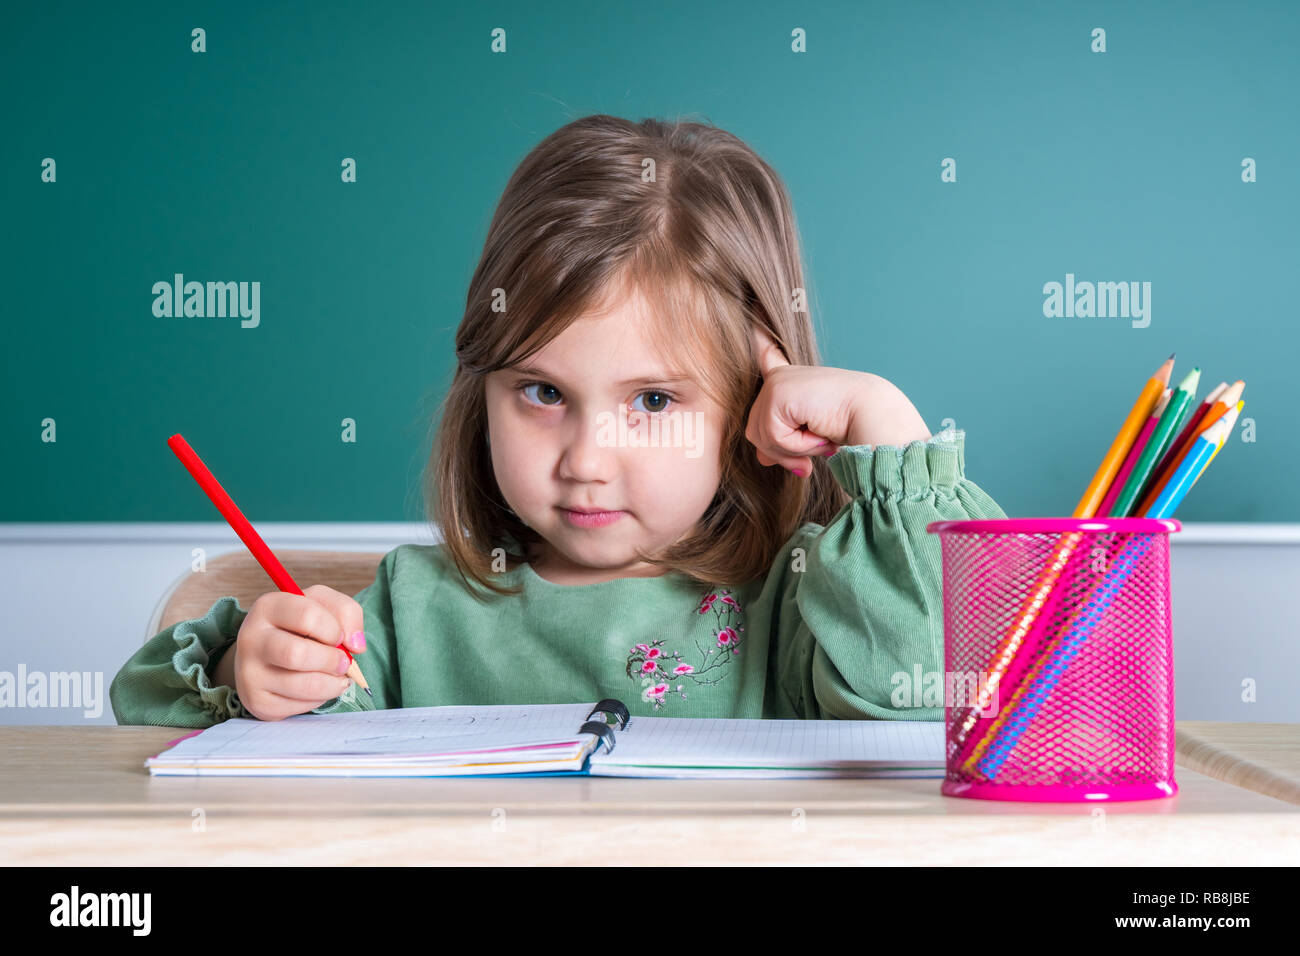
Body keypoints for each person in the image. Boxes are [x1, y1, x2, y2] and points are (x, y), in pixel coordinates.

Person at [110, 114, 1006, 729]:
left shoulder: (804, 606)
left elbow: (948, 692)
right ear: (482, 391)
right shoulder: (409, 615)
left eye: (653, 402)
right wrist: (252, 677)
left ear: (754, 400)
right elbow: (150, 729)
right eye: (541, 394)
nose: (586, 460)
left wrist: (887, 432)